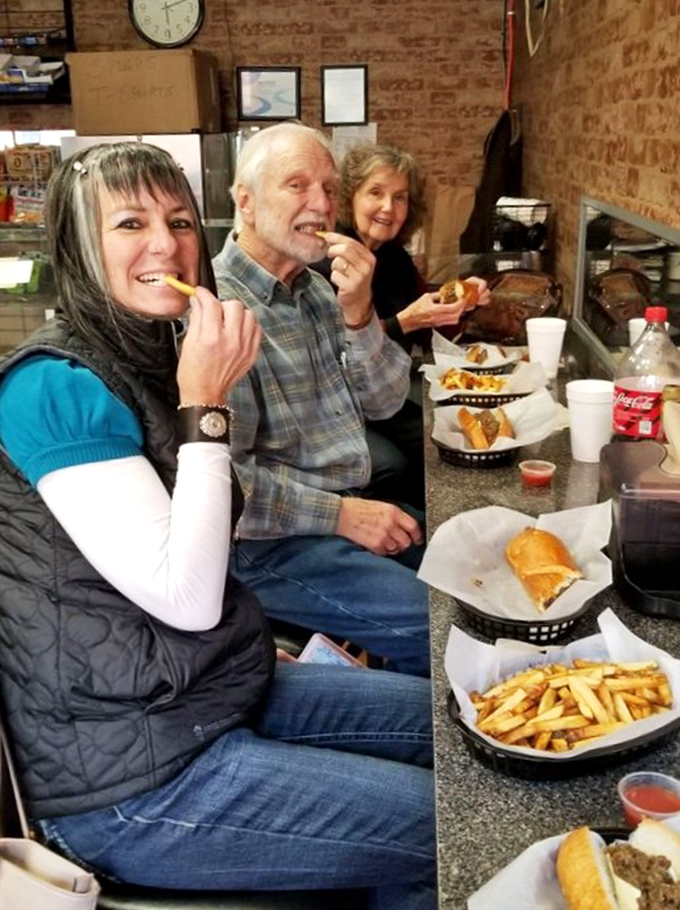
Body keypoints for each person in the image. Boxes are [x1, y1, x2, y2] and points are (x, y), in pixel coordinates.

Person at [0, 142, 436, 910]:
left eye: (178, 222)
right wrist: (206, 402)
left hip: (209, 691)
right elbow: (190, 596)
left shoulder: (156, 347)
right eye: (129, 224)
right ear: (76, 245)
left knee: (455, 732)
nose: (165, 245)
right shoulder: (52, 389)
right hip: (130, 777)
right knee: (447, 827)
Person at [212, 123, 430, 678]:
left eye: (330, 189)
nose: (321, 204)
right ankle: (407, 722)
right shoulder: (217, 313)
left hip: (342, 508)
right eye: (297, 185)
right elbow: (224, 489)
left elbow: (384, 402)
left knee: (474, 573)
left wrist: (359, 314)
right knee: (438, 623)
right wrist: (342, 516)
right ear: (245, 201)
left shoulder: (315, 291)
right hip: (265, 542)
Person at [314, 142, 489, 508]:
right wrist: (405, 322)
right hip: (334, 407)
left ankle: (444, 523)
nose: (388, 208)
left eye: (400, 198)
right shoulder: (325, 259)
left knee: (444, 437)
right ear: (349, 197)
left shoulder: (395, 258)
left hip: (384, 396)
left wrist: (462, 303)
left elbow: (431, 329)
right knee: (393, 466)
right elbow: (333, 353)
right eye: (375, 193)